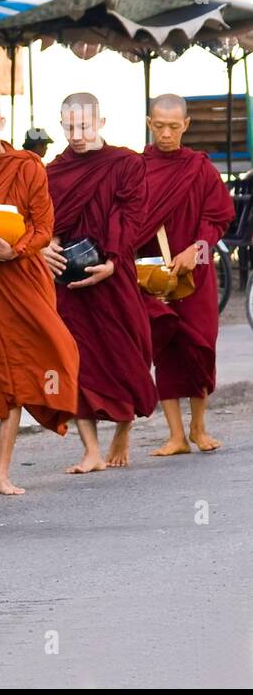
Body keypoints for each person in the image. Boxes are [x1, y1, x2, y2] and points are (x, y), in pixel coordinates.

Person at [0, 91, 79, 495]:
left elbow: (43, 227)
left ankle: (3, 469)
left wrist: (16, 249)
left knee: (14, 374)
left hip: (20, 281)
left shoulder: (25, 167)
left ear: (0, 123)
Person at [42, 93, 157, 472]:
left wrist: (112, 258)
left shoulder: (125, 164)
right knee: (77, 361)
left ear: (100, 123)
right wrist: (49, 243)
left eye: (84, 127)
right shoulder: (54, 170)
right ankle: (91, 450)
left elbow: (131, 212)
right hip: (69, 282)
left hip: (113, 271)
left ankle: (123, 427)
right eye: (69, 127)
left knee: (129, 353)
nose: (76, 135)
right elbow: (45, 219)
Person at [136, 94, 235, 456]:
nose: (166, 134)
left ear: (186, 126)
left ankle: (199, 428)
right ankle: (176, 435)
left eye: (174, 127)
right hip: (153, 275)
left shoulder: (200, 168)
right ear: (149, 123)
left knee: (200, 345)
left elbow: (220, 217)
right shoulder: (137, 169)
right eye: (159, 126)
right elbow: (129, 222)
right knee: (167, 347)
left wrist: (198, 250)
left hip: (198, 272)